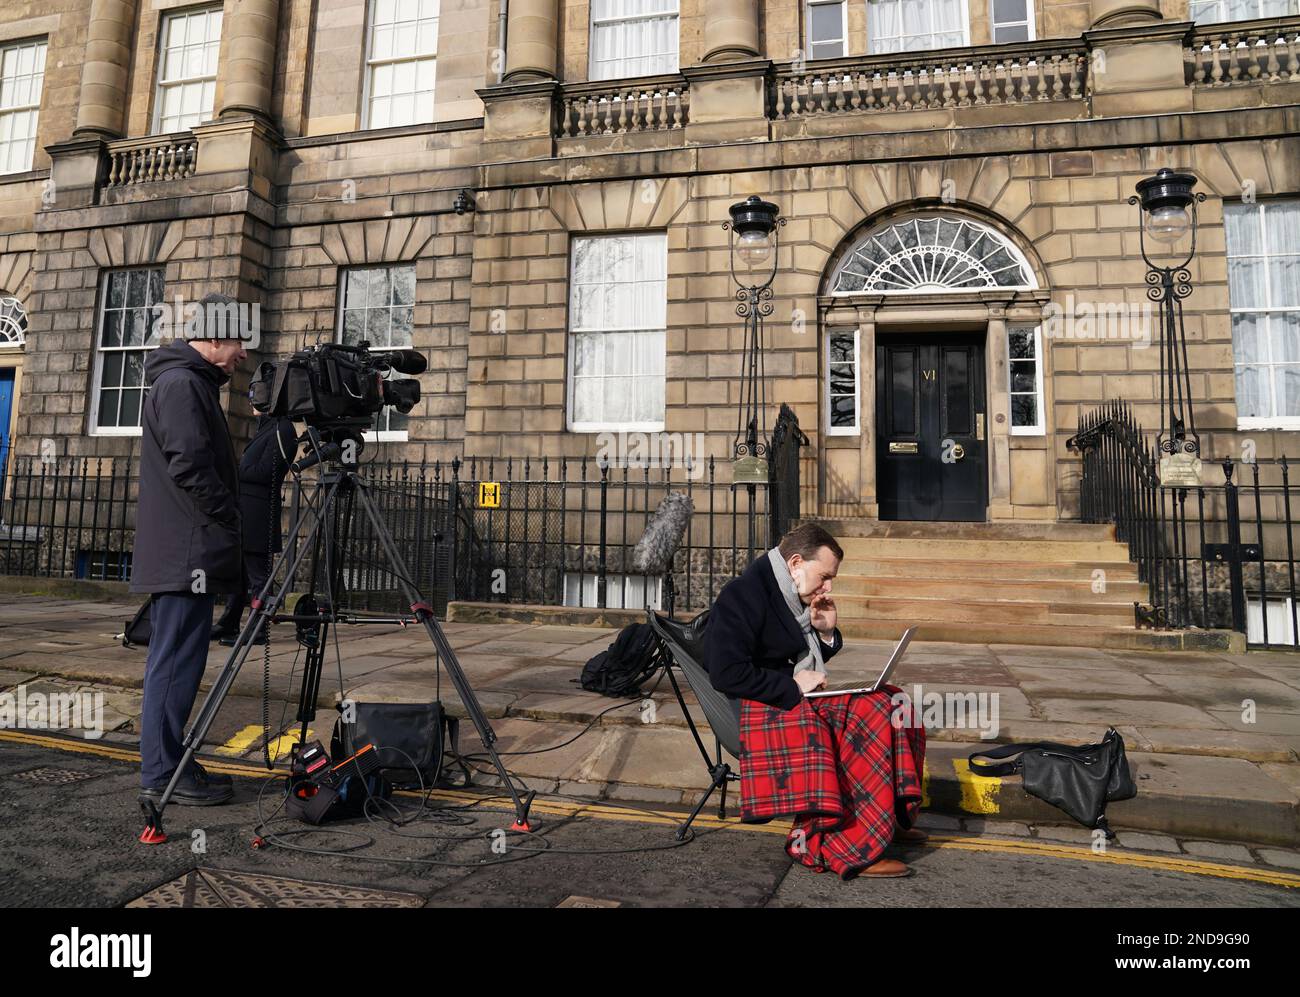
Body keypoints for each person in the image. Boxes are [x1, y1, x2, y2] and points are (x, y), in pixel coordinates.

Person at [704, 522, 927, 879]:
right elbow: (727, 673)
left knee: (893, 701)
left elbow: (796, 657)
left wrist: (823, 632)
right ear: (795, 563)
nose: (828, 586)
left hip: (786, 699)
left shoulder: (789, 596)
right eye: (824, 576)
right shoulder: (743, 594)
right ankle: (848, 844)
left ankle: (886, 816)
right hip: (758, 709)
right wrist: (792, 686)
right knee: (866, 716)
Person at [130, 302, 248, 807]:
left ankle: (171, 759)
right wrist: (230, 517)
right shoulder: (181, 385)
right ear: (215, 340)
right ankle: (160, 773)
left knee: (180, 660)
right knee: (175, 663)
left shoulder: (189, 382)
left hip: (188, 548)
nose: (242, 354)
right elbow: (191, 465)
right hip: (187, 551)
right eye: (238, 342)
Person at [211, 412, 297, 646]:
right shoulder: (265, 427)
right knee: (238, 573)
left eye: (256, 393)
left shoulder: (284, 428)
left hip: (260, 513)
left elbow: (267, 472)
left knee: (258, 575)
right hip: (245, 511)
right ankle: (229, 622)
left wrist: (232, 471)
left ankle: (257, 629)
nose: (251, 400)